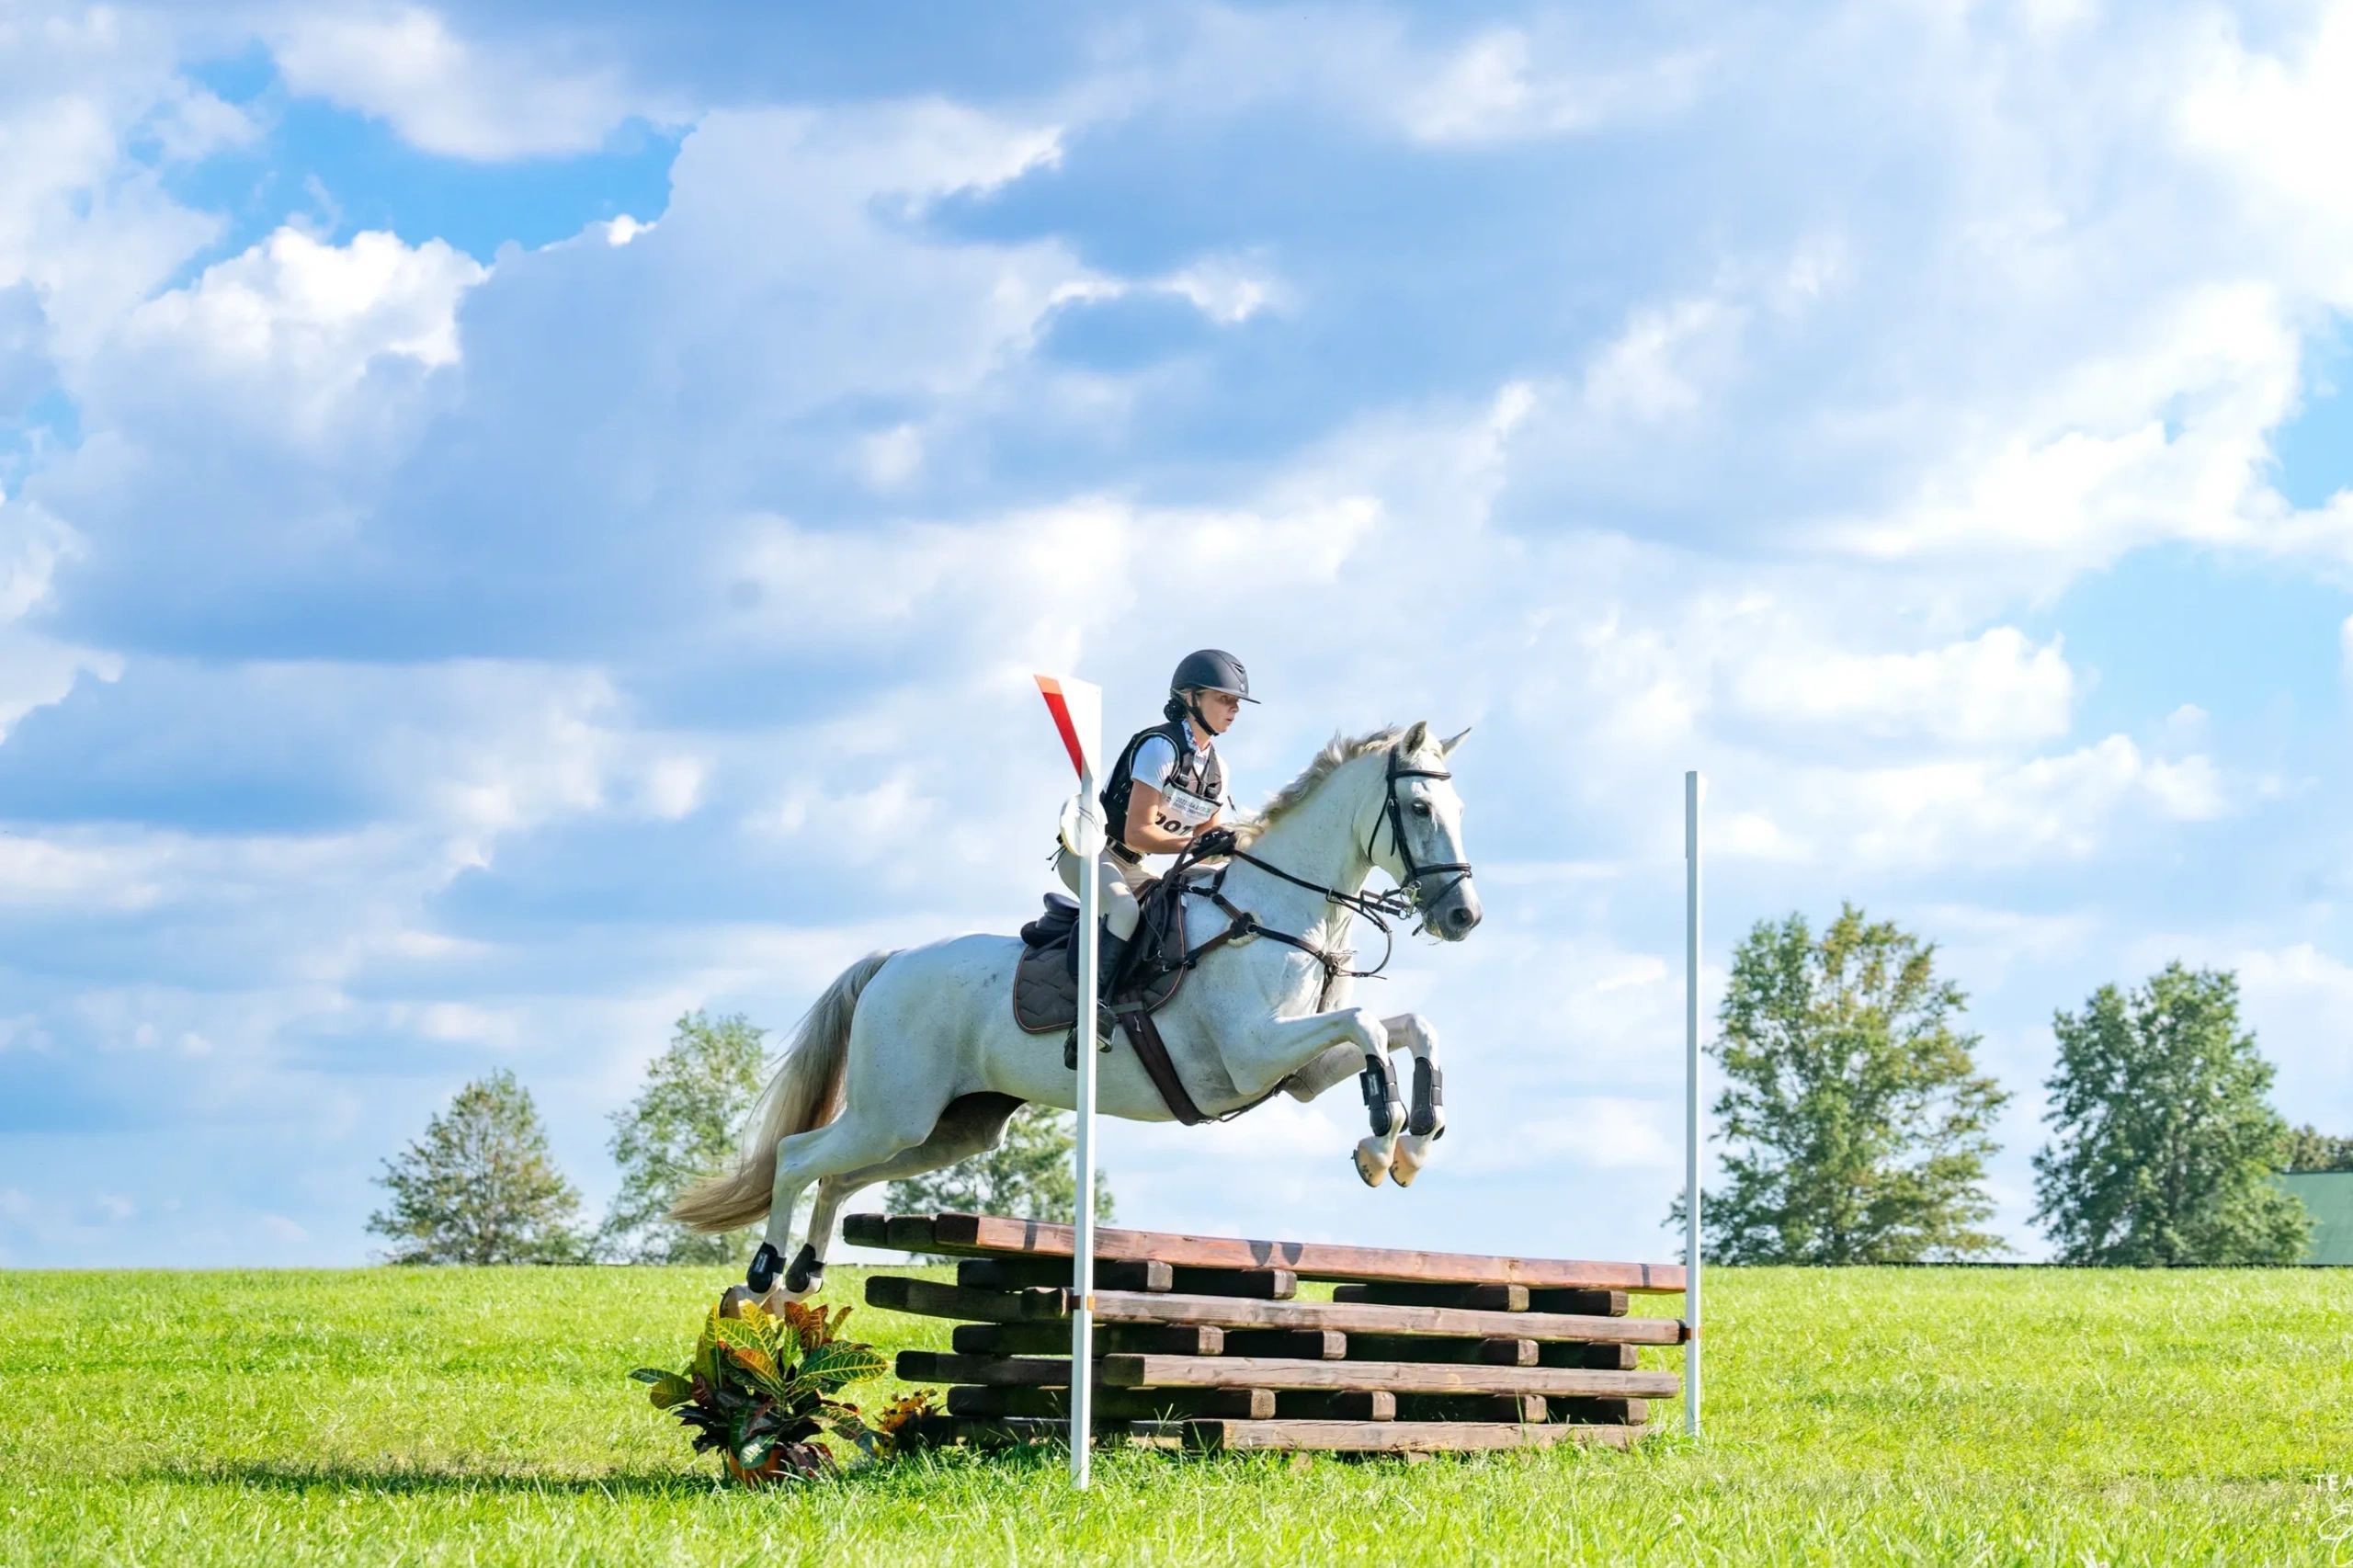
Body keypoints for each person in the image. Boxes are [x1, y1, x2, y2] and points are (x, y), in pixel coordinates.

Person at [1055, 649, 1256, 1009]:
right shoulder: (1159, 748)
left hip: (1134, 867)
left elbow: (1206, 845)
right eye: (1224, 698)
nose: (1235, 708)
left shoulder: (1218, 771)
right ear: (1191, 698)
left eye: (1236, 701)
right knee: (1124, 911)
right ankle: (1090, 1011)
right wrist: (1196, 845)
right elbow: (1137, 832)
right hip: (1091, 854)